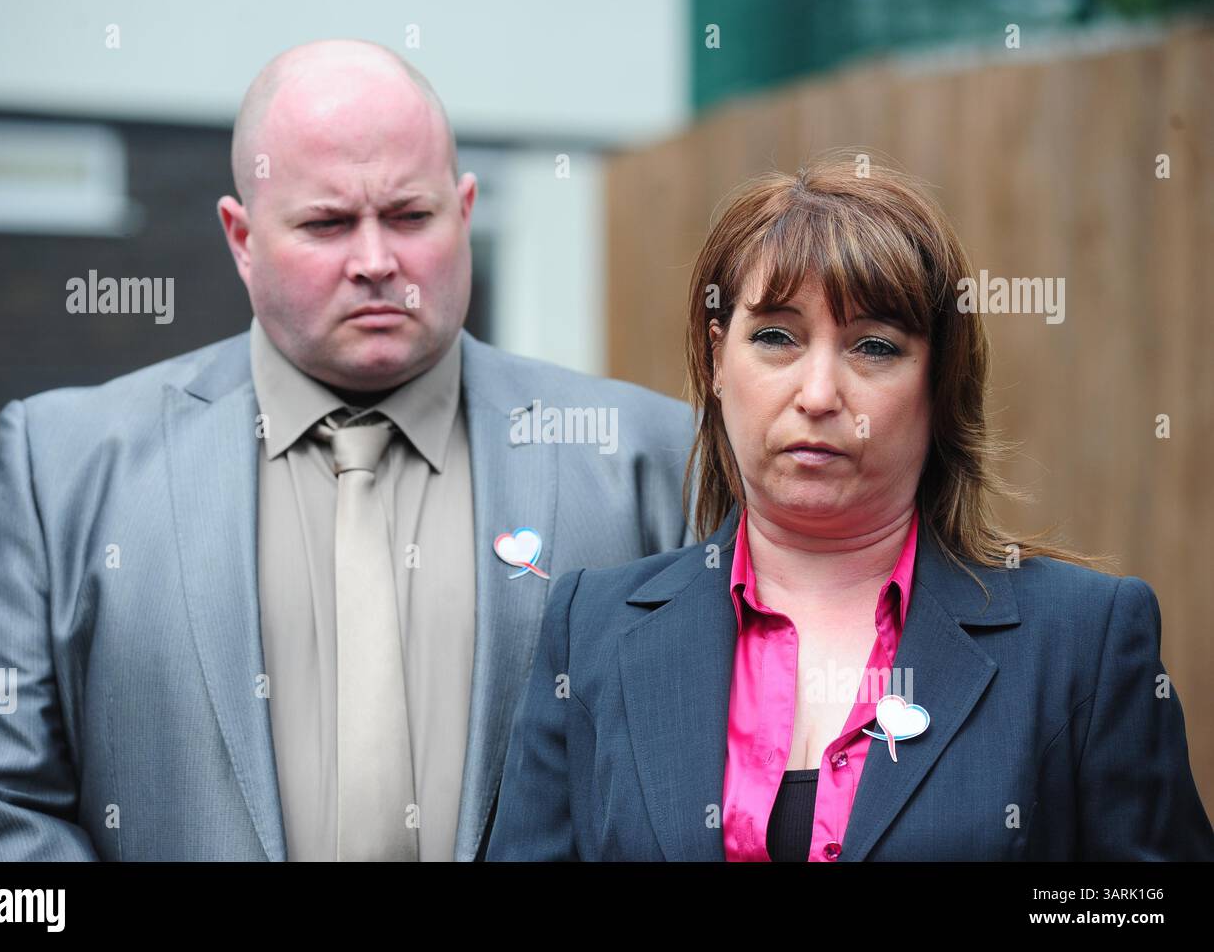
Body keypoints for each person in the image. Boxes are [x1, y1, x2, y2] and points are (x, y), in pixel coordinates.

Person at [0, 39, 695, 861]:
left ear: (465, 212)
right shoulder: (60, 470)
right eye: (326, 223)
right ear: (241, 237)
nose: (375, 261)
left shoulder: (643, 460)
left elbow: (704, 789)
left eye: (409, 216)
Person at [486, 149, 1214, 861]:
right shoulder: (590, 634)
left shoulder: (1082, 641)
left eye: (874, 347)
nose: (818, 394)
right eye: (776, 338)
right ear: (715, 361)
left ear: (939, 384)